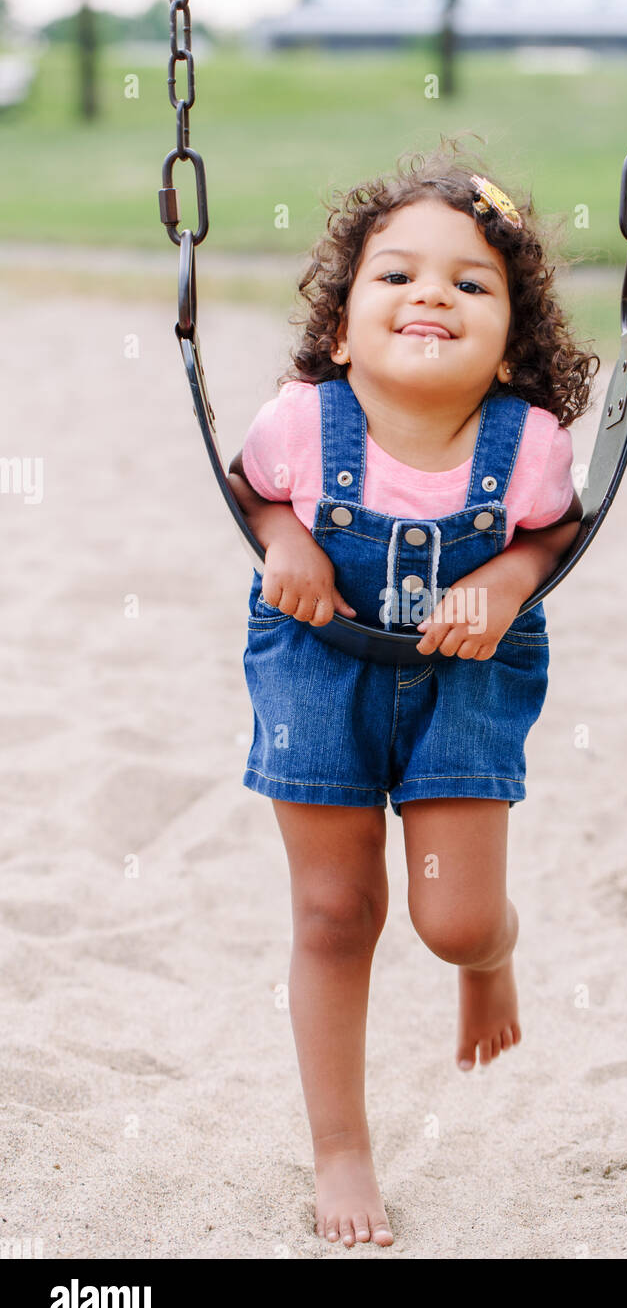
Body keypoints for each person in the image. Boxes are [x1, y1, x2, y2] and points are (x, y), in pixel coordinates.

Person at [227, 141, 599, 1248]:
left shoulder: (528, 447)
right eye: (394, 274)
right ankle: (341, 1145)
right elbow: (250, 491)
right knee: (336, 913)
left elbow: (553, 534)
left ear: (505, 351)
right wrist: (285, 536)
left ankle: (489, 958)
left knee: (453, 919)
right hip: (318, 662)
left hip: (464, 676)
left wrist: (501, 579)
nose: (429, 290)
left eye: (468, 283)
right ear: (341, 327)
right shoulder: (299, 421)